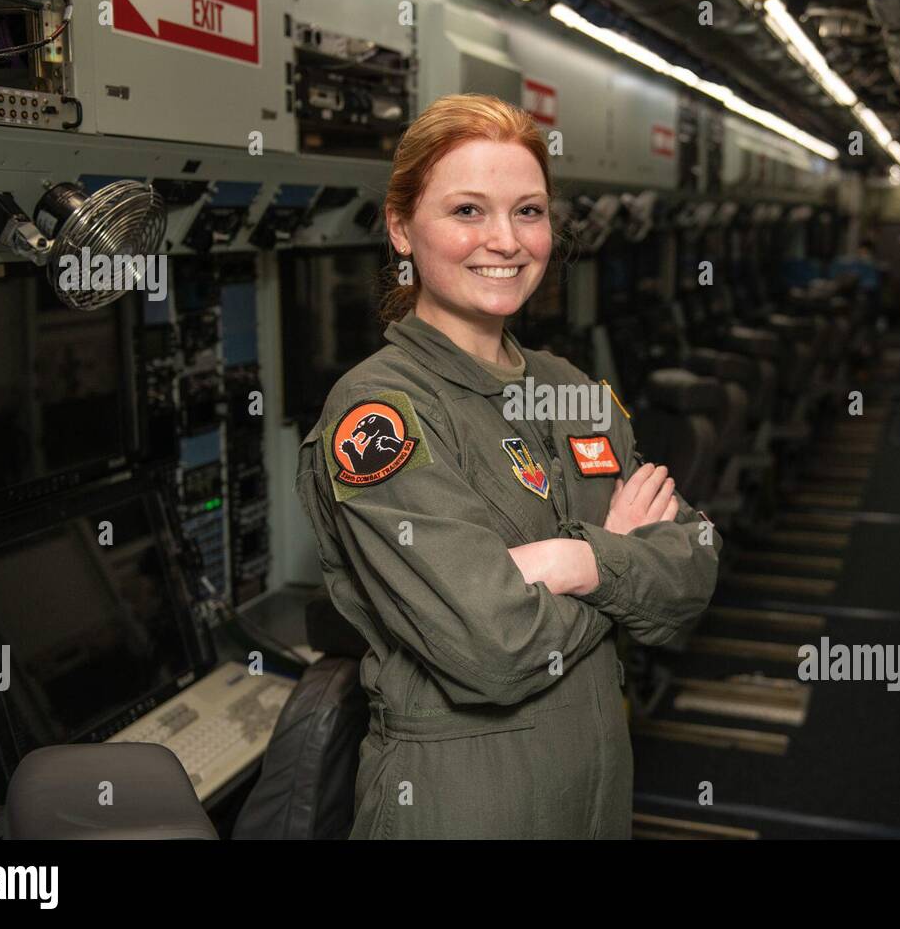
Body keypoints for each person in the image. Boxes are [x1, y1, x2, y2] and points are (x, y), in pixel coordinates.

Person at [294, 93, 722, 839]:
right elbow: (492, 647)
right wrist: (619, 557)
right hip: (461, 803)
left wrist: (570, 561)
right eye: (467, 211)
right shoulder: (380, 414)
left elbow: (693, 571)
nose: (505, 240)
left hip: (596, 788)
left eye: (528, 211)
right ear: (401, 229)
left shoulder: (571, 388)